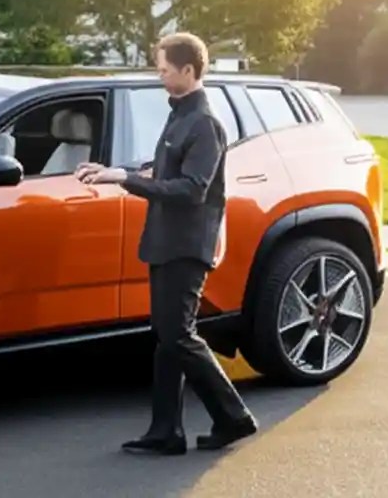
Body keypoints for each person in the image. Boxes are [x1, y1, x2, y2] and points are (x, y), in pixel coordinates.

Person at [75, 32, 258, 455]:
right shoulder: (179, 117)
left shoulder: (205, 124)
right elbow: (163, 173)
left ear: (188, 70)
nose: (159, 76)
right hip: (165, 241)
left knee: (178, 335)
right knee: (168, 335)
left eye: (163, 69)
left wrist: (126, 181)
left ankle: (233, 417)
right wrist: (115, 170)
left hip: (187, 245)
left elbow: (192, 190)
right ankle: (166, 431)